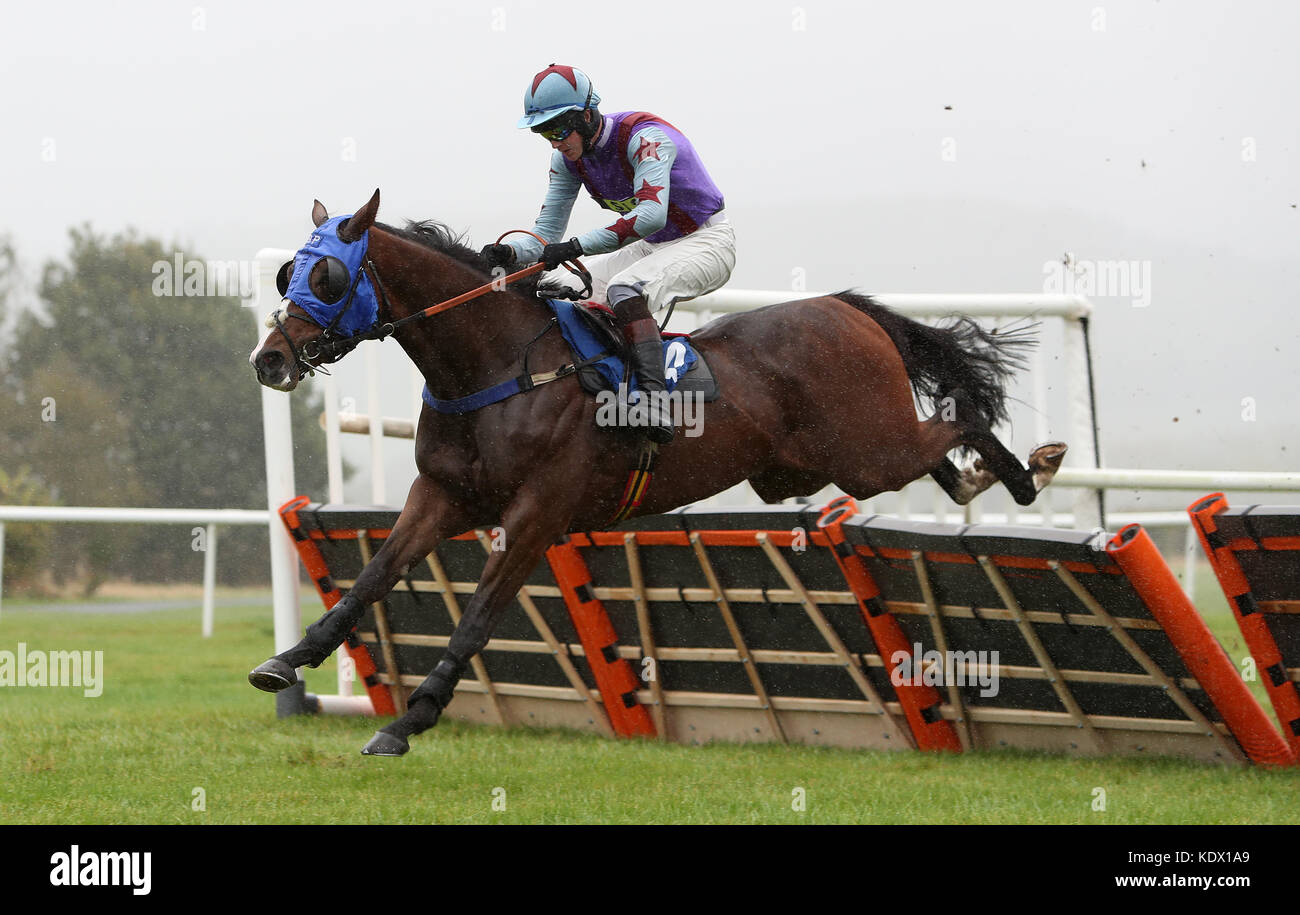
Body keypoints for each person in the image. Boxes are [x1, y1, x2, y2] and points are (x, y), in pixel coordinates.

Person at [481, 64, 735, 444]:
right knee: (554, 286)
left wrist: (577, 246)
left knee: (625, 289)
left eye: (558, 129)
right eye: (542, 132)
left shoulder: (645, 139)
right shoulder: (566, 160)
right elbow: (546, 236)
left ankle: (652, 400)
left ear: (586, 115)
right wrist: (509, 253)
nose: (553, 142)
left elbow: (650, 216)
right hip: (653, 245)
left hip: (707, 241)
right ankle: (594, 388)